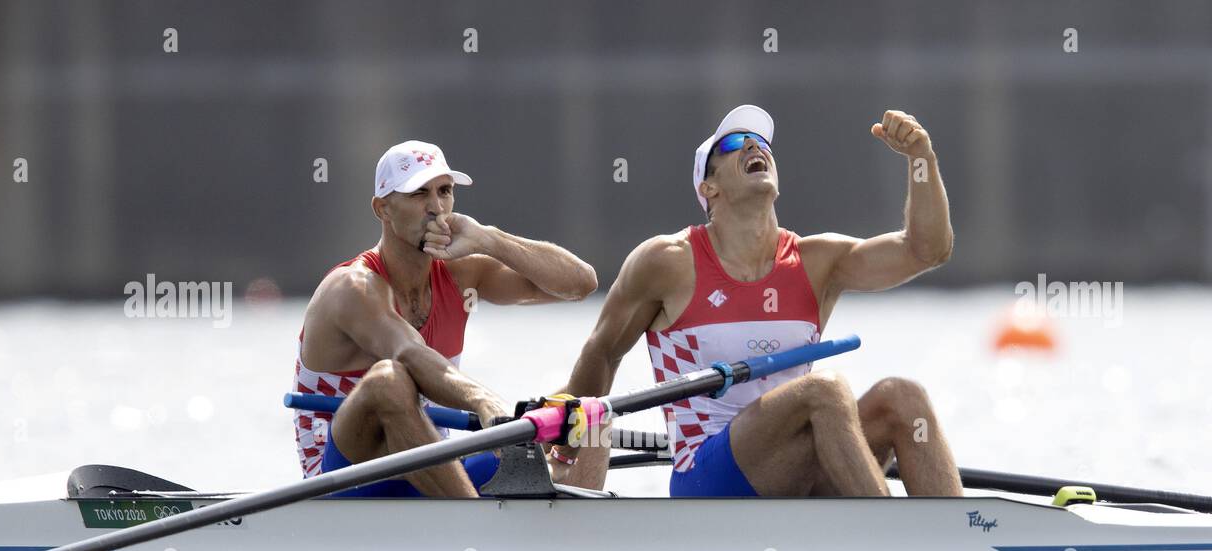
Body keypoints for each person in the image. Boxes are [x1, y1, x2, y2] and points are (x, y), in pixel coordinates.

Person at [549, 105, 962, 498]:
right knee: (824, 389)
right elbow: (602, 353)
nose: (753, 147)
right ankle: (891, 533)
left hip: (792, 461)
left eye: (760, 143)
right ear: (708, 188)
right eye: (733, 145)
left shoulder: (818, 262)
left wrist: (920, 159)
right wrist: (568, 445)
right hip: (705, 473)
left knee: (903, 397)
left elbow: (926, 251)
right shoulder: (667, 262)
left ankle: (961, 537)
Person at [293, 140, 597, 496]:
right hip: (347, 476)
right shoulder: (351, 287)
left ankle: (574, 537)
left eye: (445, 191)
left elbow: (581, 283)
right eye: (419, 194)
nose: (437, 208)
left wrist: (489, 239)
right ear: (383, 209)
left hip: (433, 469)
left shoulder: (461, 274)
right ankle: (470, 526)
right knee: (388, 380)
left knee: (589, 412)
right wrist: (486, 402)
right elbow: (408, 353)